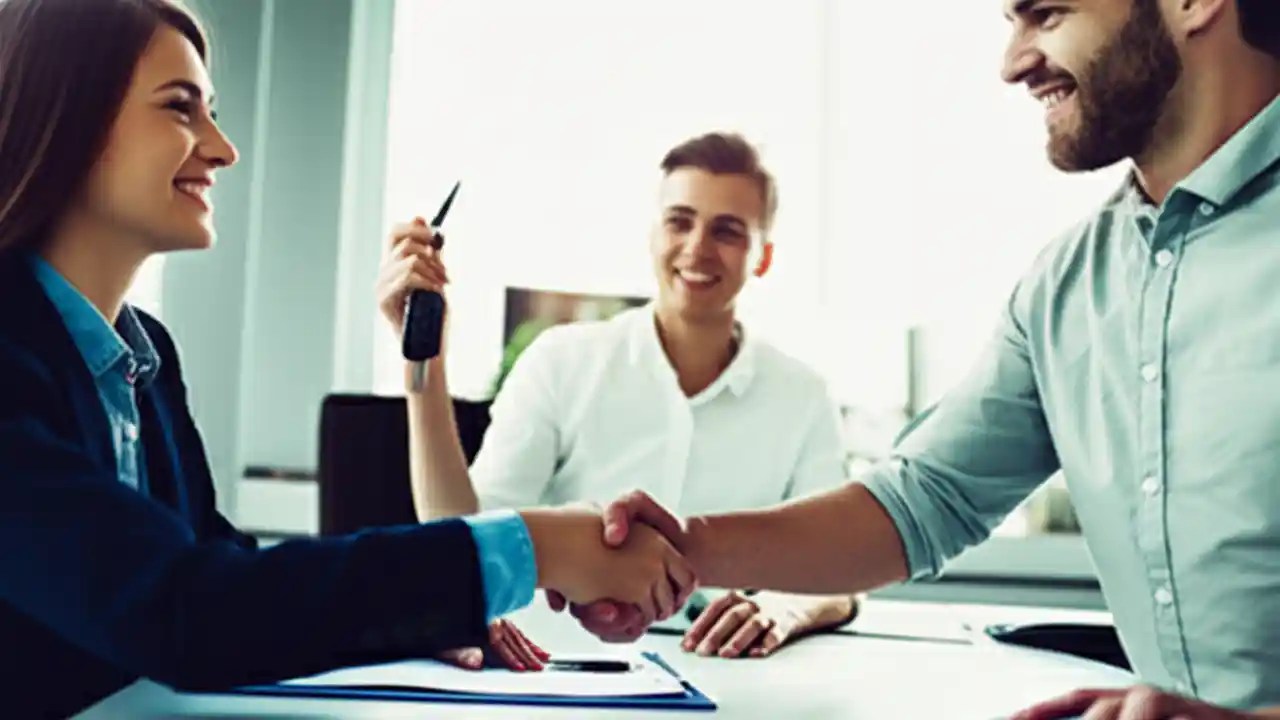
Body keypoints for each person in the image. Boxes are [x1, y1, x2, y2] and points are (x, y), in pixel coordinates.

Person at [585, 0, 1280, 717]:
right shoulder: (1071, 282)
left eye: (1047, 14)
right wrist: (684, 547)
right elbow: (923, 500)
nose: (1013, 63)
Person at [0, 1, 694, 716]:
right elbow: (185, 610)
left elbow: (230, 573)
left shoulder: (145, 356)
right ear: (68, 117)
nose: (222, 147)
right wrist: (534, 548)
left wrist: (408, 617)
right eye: (182, 109)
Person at [377, 132, 857, 663]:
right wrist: (425, 361)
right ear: (653, 235)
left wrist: (783, 610)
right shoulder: (562, 360)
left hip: (734, 673)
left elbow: (842, 567)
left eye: (727, 230)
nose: (697, 247)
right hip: (554, 667)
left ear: (762, 257)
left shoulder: (804, 396)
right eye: (679, 221)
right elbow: (462, 539)